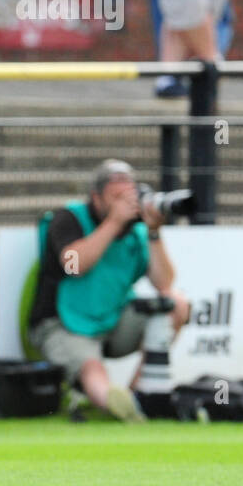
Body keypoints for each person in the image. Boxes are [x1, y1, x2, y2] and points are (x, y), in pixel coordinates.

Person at [29, 160, 190, 423]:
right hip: (63, 324)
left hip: (112, 320)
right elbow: (74, 265)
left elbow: (164, 284)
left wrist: (153, 231)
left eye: (129, 199)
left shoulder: (136, 230)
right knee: (92, 368)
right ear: (96, 197)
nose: (124, 206)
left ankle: (135, 399)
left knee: (176, 304)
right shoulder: (67, 218)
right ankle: (109, 403)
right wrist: (114, 222)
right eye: (117, 198)